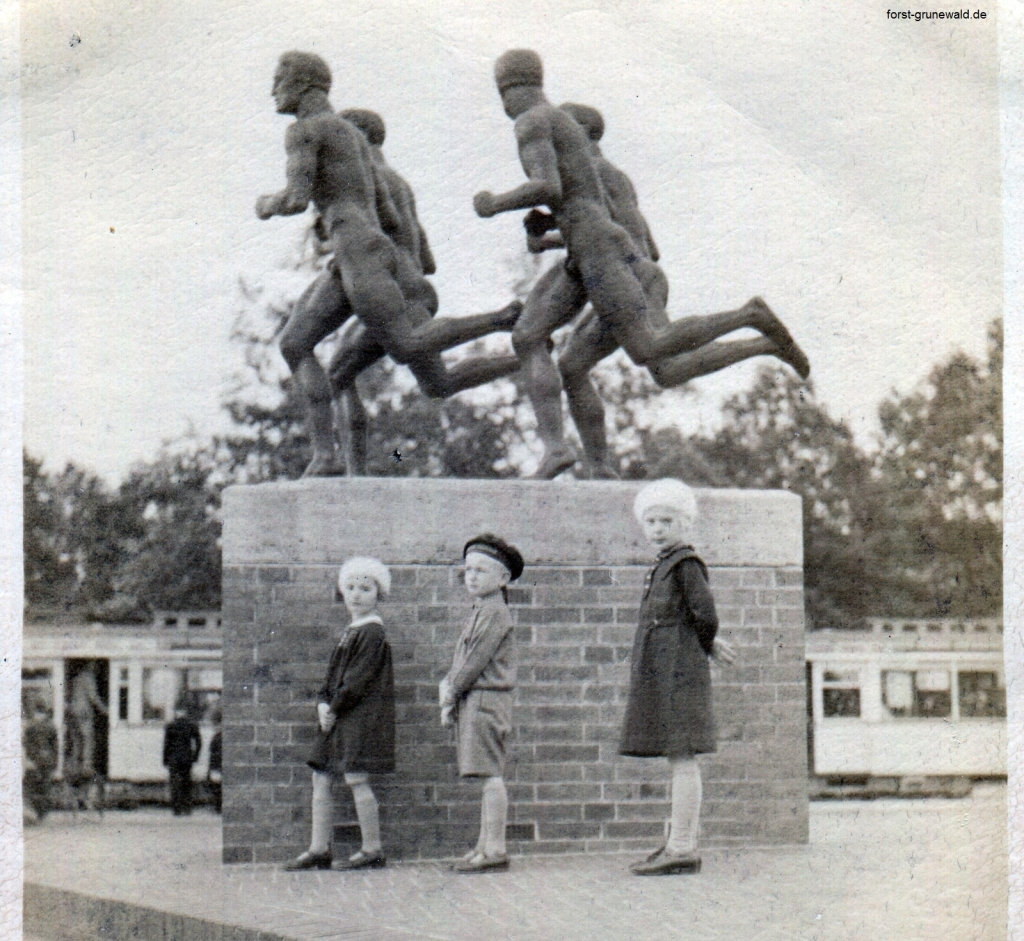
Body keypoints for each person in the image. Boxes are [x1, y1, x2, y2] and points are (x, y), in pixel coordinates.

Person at [474, 50, 810, 479]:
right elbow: (580, 206)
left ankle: (751, 317)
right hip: (591, 256)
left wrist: (495, 203)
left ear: (505, 91)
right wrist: (553, 229)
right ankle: (580, 460)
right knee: (548, 348)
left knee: (653, 350)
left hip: (609, 260)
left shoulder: (536, 124)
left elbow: (555, 190)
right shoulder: (579, 152)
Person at [257, 53, 522, 476]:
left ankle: (501, 318)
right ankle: (326, 458)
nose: (272, 90)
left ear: (304, 84)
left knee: (406, 345)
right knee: (295, 343)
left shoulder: (304, 131)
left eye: (278, 79)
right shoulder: (359, 142)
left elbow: (294, 198)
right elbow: (394, 220)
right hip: (362, 253)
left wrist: (266, 206)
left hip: (357, 251)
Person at [619, 479, 736, 875]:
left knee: (682, 755)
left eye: (666, 520)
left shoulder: (686, 564)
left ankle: (683, 846)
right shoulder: (663, 566)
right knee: (676, 756)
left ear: (685, 524)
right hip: (665, 669)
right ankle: (676, 842)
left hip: (679, 671)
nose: (657, 528)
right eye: (651, 521)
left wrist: (705, 644)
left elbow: (706, 614)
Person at [285, 557, 396, 871]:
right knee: (320, 776)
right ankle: (319, 848)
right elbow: (333, 677)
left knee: (356, 777)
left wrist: (333, 708)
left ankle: (373, 848)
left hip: (355, 715)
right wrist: (322, 703)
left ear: (379, 593)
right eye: (350, 587)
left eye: (365, 587)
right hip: (336, 714)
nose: (357, 594)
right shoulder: (351, 630)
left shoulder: (372, 632)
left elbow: (356, 680)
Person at [440, 534, 524, 873]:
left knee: (490, 774)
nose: (471, 576)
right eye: (468, 570)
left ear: (503, 579)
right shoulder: (482, 610)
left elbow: (473, 661)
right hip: (476, 699)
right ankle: (483, 845)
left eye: (481, 570)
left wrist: (451, 691)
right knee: (486, 774)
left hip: (487, 699)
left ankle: (495, 849)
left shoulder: (494, 612)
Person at [66, 663, 108, 782]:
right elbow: (93, 697)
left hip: (73, 711)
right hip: (83, 711)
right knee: (87, 739)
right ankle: (86, 769)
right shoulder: (88, 678)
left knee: (76, 741)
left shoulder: (77, 678)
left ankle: (74, 769)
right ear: (93, 667)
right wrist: (106, 710)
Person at [22, 696, 58, 822]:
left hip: (34, 761)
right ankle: (41, 813)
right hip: (47, 760)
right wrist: (55, 762)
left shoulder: (31, 725)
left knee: (30, 786)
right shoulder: (51, 726)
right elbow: (55, 746)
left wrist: (30, 758)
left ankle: (33, 812)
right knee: (45, 787)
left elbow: (26, 743)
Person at [163, 702, 202, 816]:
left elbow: (166, 744)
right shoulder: (191, 725)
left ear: (176, 712)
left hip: (173, 758)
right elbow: (199, 742)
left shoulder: (171, 725)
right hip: (187, 758)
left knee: (174, 783)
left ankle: (176, 809)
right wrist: (195, 756)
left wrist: (165, 759)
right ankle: (187, 808)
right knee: (187, 782)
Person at [207, 710, 223, 814]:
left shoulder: (217, 737)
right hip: (218, 766)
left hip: (217, 766)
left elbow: (212, 752)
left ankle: (218, 807)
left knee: (217, 788)